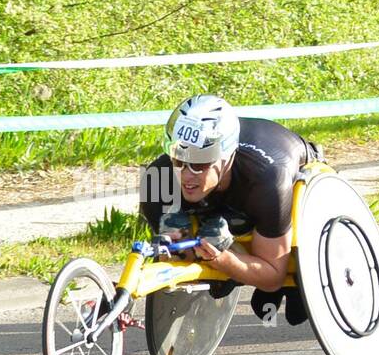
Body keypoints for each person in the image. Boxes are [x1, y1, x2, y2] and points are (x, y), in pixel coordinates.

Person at [138, 94, 323, 322]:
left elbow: (274, 276)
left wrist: (222, 261)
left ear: (226, 158)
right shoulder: (157, 181)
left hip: (288, 171)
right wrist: (178, 248)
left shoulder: (267, 182)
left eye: (199, 164)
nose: (186, 175)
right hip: (232, 194)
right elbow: (180, 256)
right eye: (178, 160)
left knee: (292, 306)